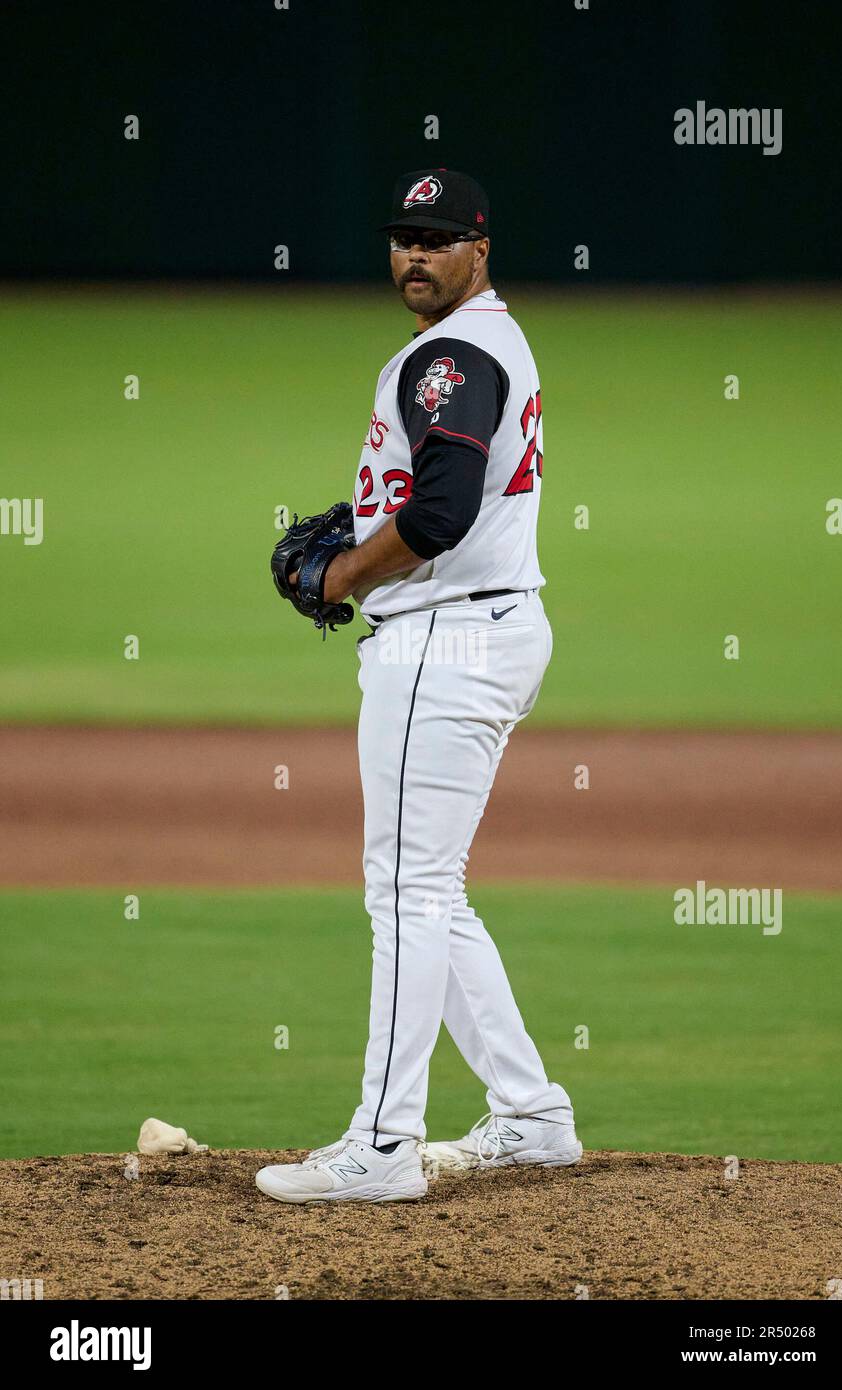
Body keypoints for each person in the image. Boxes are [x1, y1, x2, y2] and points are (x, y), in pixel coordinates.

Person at [256, 169, 581, 1205]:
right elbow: (438, 493)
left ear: (478, 250)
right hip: (481, 627)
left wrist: (344, 574)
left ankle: (383, 1146)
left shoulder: (451, 355)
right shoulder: (488, 342)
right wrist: (358, 534)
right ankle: (528, 1117)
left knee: (404, 891)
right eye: (403, 236)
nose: (414, 256)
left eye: (437, 240)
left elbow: (438, 512)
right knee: (430, 888)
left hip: (443, 642)